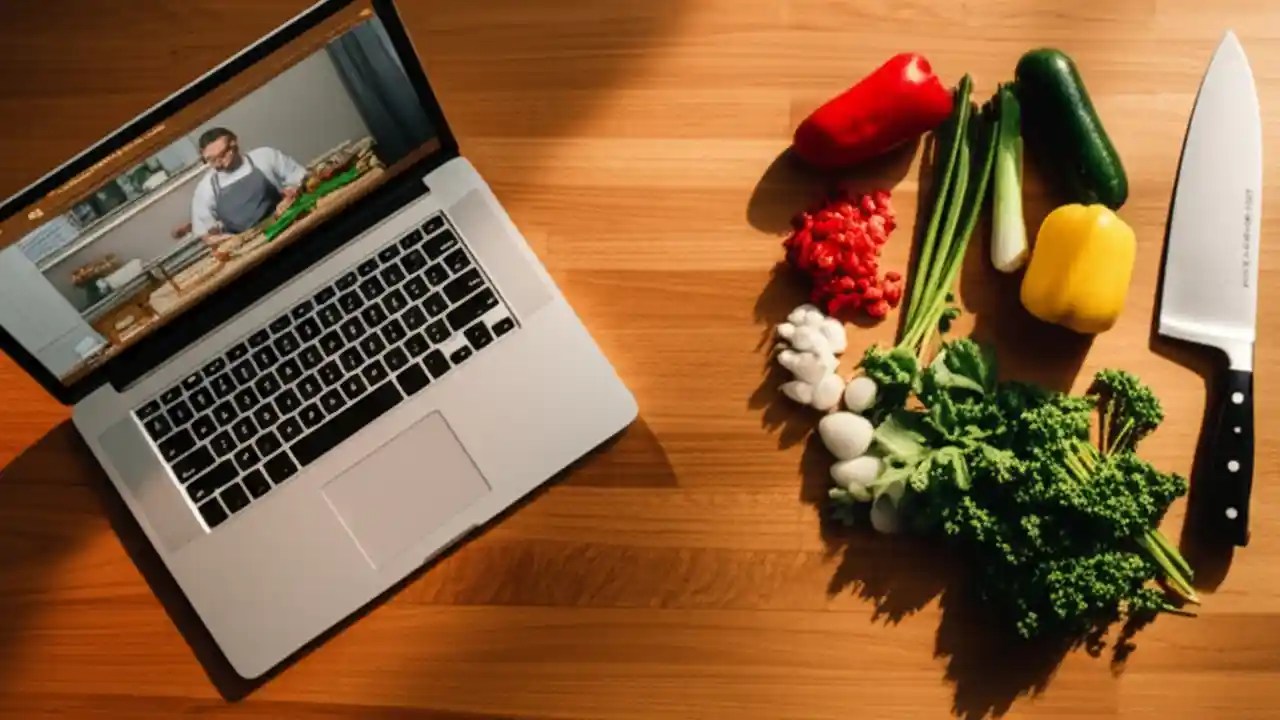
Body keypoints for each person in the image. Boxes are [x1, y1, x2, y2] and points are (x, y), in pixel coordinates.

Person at [190, 127, 307, 245]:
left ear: (234, 144)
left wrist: (291, 194)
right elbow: (205, 234)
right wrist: (216, 239)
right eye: (211, 159)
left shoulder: (264, 156)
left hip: (287, 226)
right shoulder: (205, 189)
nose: (219, 163)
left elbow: (299, 176)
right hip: (246, 246)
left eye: (222, 155)